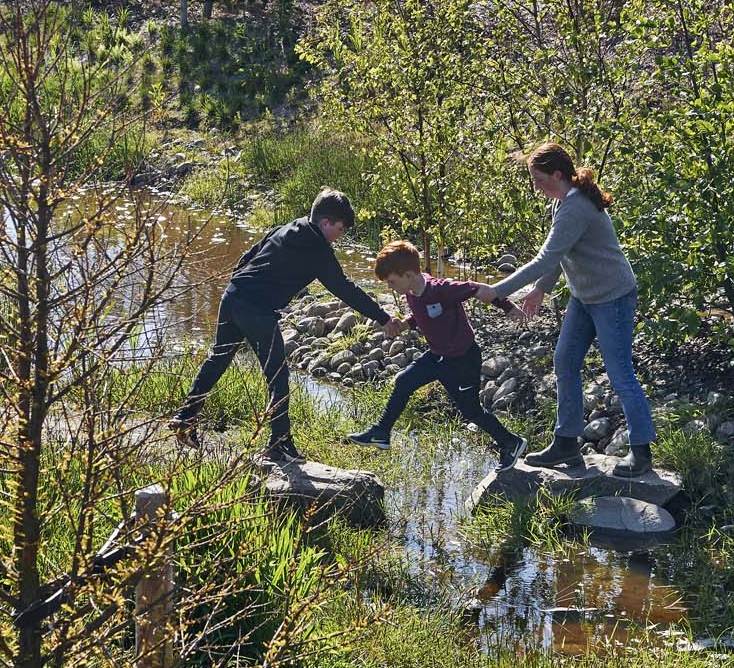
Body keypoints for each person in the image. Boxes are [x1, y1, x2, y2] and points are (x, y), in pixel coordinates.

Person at [173, 189, 404, 463]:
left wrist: (242, 289)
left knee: (218, 359)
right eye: (339, 229)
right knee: (278, 376)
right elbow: (345, 289)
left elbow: (248, 256)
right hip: (256, 309)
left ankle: (185, 419)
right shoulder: (318, 249)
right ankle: (279, 444)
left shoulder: (288, 227)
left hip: (234, 294)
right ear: (326, 223)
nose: (339, 236)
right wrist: (383, 317)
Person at [490, 142, 658, 475]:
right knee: (565, 360)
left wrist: (496, 291)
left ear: (557, 174)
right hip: (584, 298)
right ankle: (566, 443)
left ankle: (641, 452)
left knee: (620, 372)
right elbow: (559, 252)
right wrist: (541, 288)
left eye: (538, 179)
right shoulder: (562, 203)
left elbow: (546, 257)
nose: (535, 187)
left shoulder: (576, 206)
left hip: (613, 297)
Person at [344, 240, 527, 469]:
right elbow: (422, 315)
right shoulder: (411, 292)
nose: (391, 287)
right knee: (404, 381)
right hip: (438, 357)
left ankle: (511, 442)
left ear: (409, 274)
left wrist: (509, 308)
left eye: (392, 281)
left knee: (471, 411)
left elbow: (479, 289)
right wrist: (405, 324)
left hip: (463, 360)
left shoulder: (441, 288)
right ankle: (381, 432)